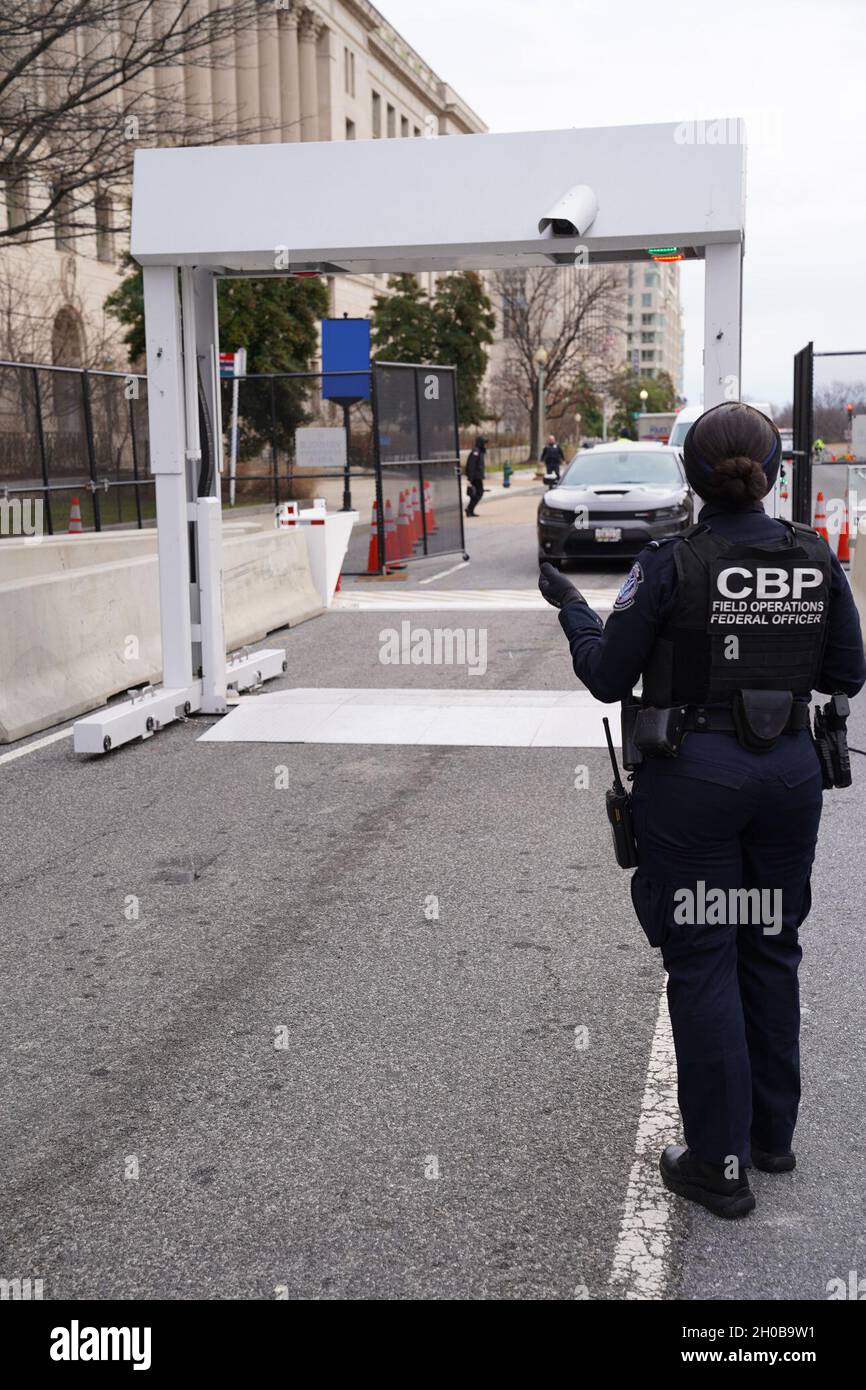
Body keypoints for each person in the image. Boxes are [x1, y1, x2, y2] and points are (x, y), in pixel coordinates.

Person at [538, 402, 865, 1219]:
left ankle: (718, 1163)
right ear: (775, 473)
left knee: (703, 956)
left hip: (695, 782)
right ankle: (770, 1137)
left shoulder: (671, 561)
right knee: (770, 943)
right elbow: (848, 671)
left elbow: (609, 676)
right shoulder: (812, 555)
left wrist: (574, 609)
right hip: (787, 778)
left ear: (690, 477)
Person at [464, 435, 487, 517]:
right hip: (475, 477)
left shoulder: (479, 451)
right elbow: (471, 465)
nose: (485, 445)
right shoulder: (476, 452)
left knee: (476, 494)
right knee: (478, 493)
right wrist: (470, 478)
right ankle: (469, 509)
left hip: (477, 476)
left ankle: (470, 510)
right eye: (484, 443)